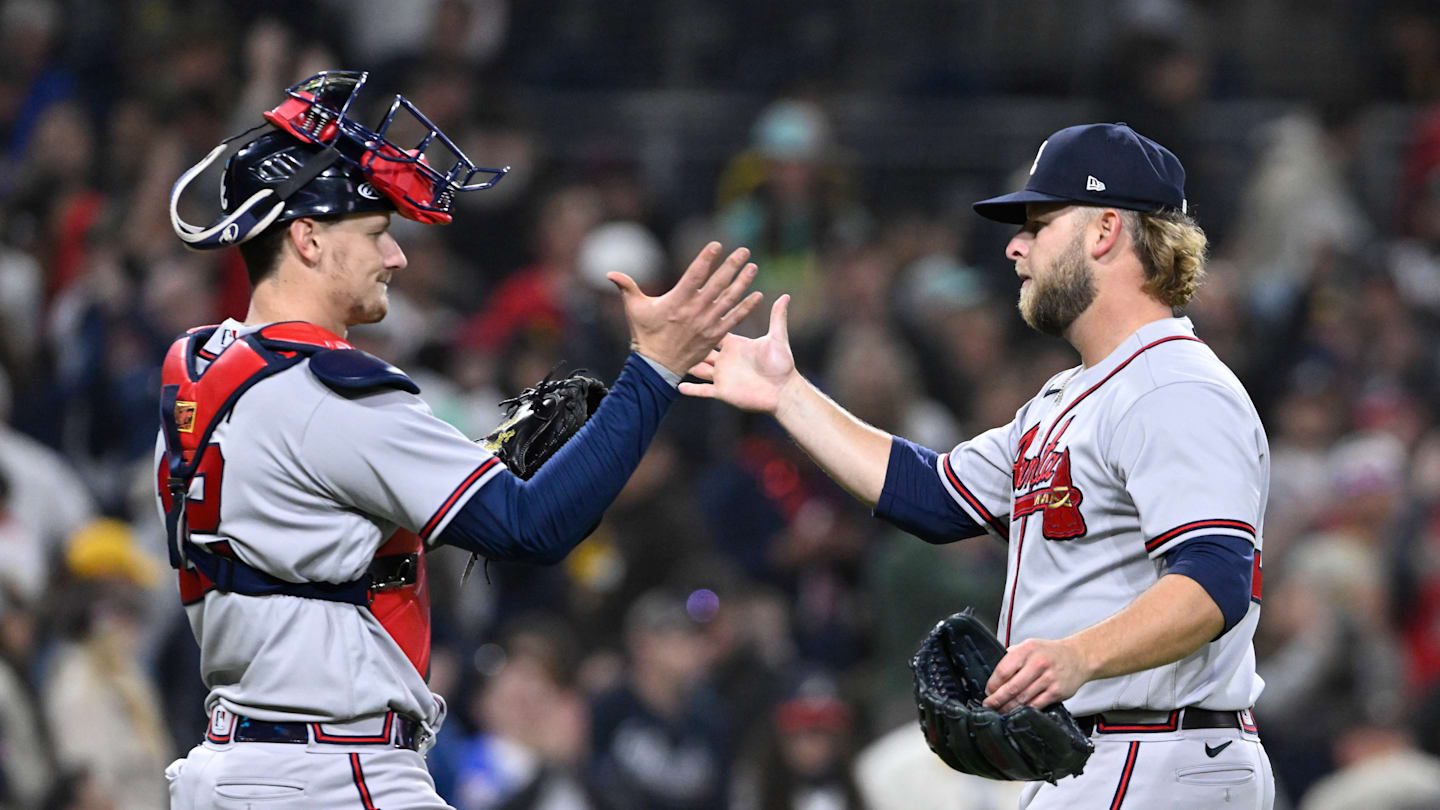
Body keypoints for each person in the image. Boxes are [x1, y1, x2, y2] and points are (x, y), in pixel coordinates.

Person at [157, 71, 760, 809]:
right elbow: (530, 526)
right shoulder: (331, 390)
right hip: (331, 774)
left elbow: (318, 527)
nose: (397, 257)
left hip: (236, 761)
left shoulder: (201, 363)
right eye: (376, 233)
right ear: (307, 238)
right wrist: (656, 370)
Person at [685, 123, 1274, 808]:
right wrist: (787, 396)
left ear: (1106, 230)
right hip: (1098, 755)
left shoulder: (1174, 387)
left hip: (1161, 752)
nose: (1014, 245)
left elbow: (1215, 582)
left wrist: (1078, 654)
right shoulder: (1072, 395)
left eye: (1039, 223)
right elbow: (934, 497)